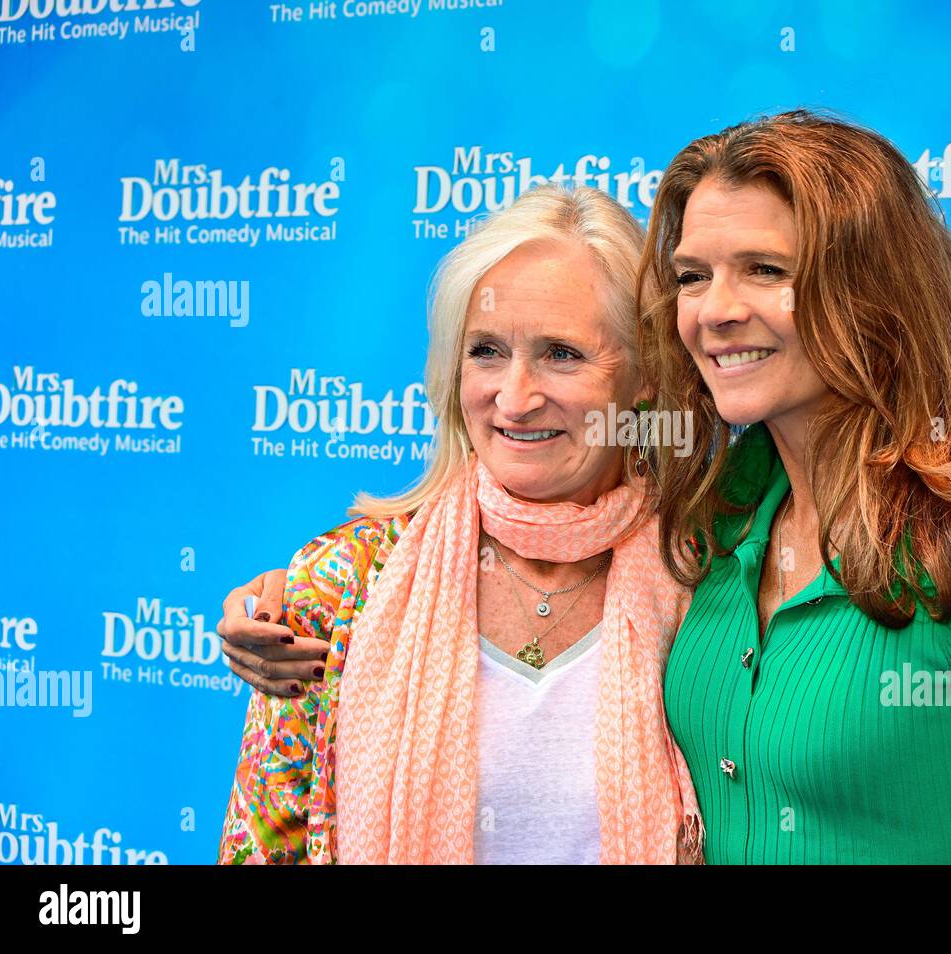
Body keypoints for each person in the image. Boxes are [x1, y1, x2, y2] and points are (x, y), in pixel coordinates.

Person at [221, 109, 951, 864]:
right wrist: (280, 600)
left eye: (766, 270)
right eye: (693, 276)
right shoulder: (720, 524)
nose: (716, 308)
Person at [217, 185, 702, 864]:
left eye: (562, 353)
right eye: (486, 351)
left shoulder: (714, 578)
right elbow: (263, 848)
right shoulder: (341, 586)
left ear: (646, 372)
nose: (515, 396)